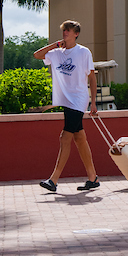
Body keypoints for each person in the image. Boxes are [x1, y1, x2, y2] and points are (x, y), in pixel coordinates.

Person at [35, 20, 100, 193]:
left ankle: (53, 180)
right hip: (66, 100)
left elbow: (92, 78)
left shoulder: (83, 52)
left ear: (76, 34)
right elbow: (37, 55)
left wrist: (93, 102)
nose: (65, 33)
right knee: (79, 138)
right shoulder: (57, 52)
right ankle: (93, 178)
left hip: (78, 100)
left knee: (65, 137)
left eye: (69, 30)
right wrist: (56, 44)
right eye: (64, 30)